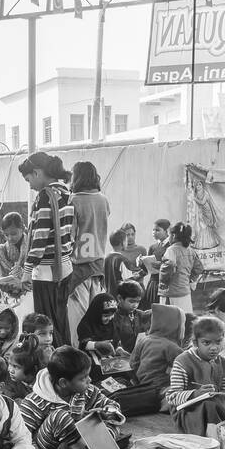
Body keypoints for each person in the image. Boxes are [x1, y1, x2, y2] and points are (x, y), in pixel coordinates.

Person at [20, 345, 125, 449]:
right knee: (61, 416)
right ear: (63, 382)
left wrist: (106, 412)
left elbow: (111, 404)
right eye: (83, 378)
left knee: (113, 422)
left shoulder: (87, 390)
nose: (89, 380)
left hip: (79, 441)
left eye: (88, 375)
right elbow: (22, 435)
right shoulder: (34, 402)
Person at [21, 152, 74, 347]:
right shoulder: (66, 193)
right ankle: (66, 359)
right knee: (60, 321)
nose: (30, 185)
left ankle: (52, 363)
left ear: (37, 173)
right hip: (65, 268)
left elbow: (40, 237)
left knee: (45, 325)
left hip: (46, 272)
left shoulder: (45, 196)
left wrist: (27, 271)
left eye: (28, 180)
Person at [167, 316, 225, 436]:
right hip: (187, 412)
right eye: (206, 343)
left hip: (217, 411)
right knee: (208, 404)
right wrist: (196, 394)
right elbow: (172, 397)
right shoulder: (183, 362)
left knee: (214, 404)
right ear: (195, 343)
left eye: (218, 341)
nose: (214, 347)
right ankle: (214, 437)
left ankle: (217, 436)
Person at [68, 160, 110, 348]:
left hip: (78, 267)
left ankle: (78, 356)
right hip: (99, 265)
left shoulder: (73, 200)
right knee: (96, 317)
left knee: (78, 319)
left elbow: (70, 235)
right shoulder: (103, 199)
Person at [124, 303, 183, 416]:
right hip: (161, 388)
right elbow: (186, 366)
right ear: (176, 325)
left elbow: (132, 363)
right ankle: (165, 403)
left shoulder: (144, 340)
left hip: (143, 386)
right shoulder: (171, 347)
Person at [157, 222, 204, 319]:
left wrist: (163, 282)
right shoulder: (190, 250)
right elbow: (199, 267)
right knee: (185, 321)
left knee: (169, 322)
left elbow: (169, 265)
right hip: (185, 293)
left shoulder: (171, 250)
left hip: (171, 293)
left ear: (173, 235)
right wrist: (191, 280)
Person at [77, 292, 121, 376]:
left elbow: (116, 340)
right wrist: (98, 344)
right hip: (90, 357)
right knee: (98, 372)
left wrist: (119, 349)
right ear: (96, 313)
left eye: (112, 315)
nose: (110, 318)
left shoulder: (112, 323)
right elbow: (84, 344)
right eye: (106, 315)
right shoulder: (85, 324)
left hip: (109, 357)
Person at [1, 336, 43, 401]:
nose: (10, 370)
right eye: (10, 364)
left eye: (15, 366)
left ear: (31, 369)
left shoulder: (43, 383)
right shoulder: (9, 381)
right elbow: (11, 401)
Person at [112, 281, 145, 354]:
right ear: (120, 298)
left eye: (138, 302)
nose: (135, 305)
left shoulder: (140, 314)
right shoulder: (112, 316)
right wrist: (117, 349)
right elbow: (113, 340)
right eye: (132, 301)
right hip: (120, 357)